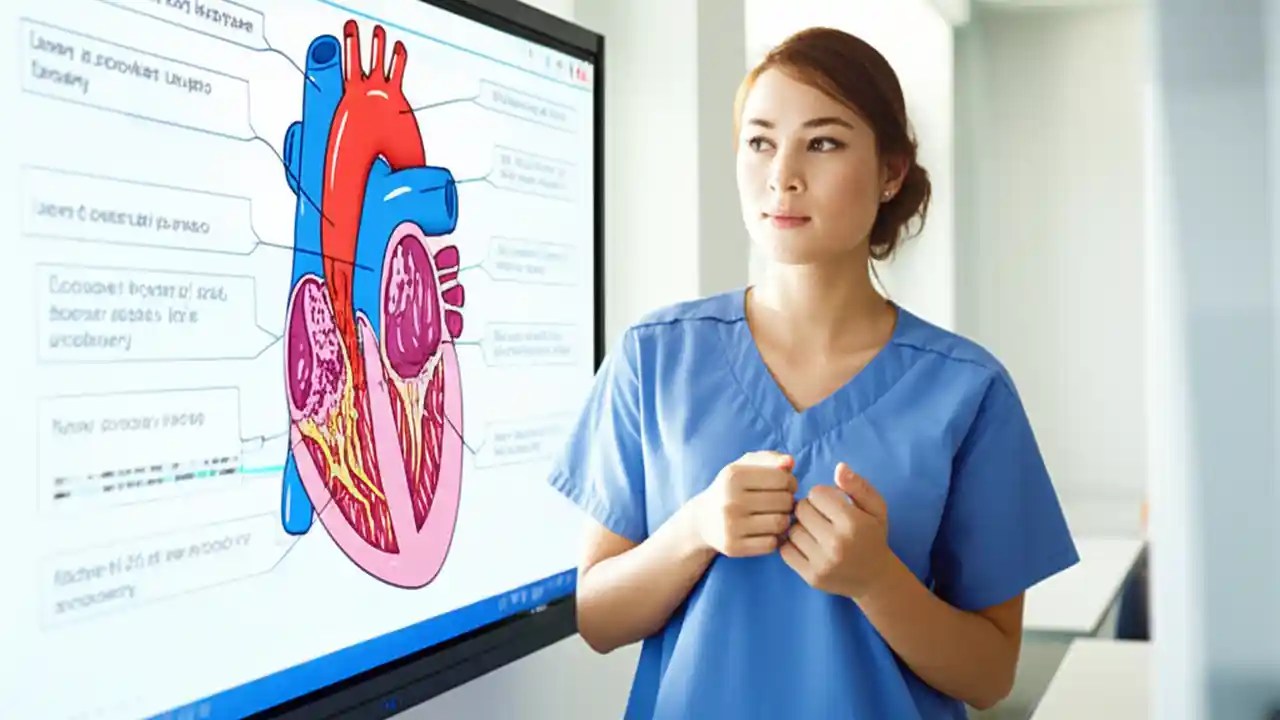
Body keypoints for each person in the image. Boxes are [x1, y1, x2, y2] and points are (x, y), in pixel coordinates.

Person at [545, 26, 1079, 720]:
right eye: (761, 141)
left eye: (823, 142)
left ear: (891, 171)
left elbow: (989, 675)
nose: (783, 174)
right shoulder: (655, 358)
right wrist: (696, 528)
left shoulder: (967, 392)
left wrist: (877, 580)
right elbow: (597, 619)